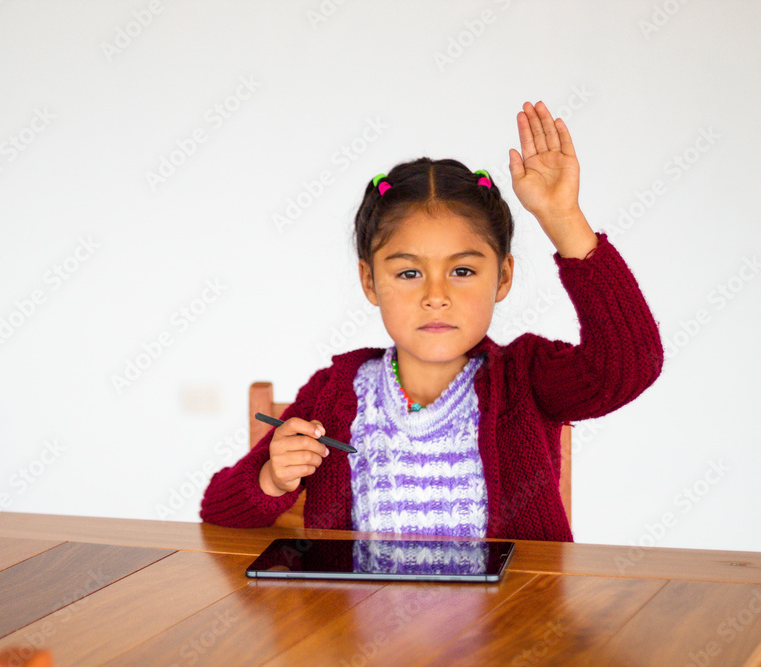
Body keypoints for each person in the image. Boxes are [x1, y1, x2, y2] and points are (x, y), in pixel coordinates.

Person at [199, 101, 664, 542]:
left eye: (462, 271)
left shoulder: (526, 379)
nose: (436, 297)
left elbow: (630, 363)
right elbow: (218, 511)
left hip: (513, 605)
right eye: (408, 273)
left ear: (503, 277)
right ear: (370, 281)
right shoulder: (334, 394)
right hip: (356, 605)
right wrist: (272, 478)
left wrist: (563, 219)